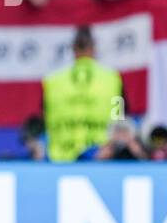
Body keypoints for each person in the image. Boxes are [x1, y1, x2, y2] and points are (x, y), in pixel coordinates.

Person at [42, 25, 123, 162]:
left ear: (73, 49)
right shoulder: (112, 79)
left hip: (59, 156)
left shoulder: (53, 81)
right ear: (94, 48)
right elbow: (119, 117)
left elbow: (44, 116)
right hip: (99, 155)